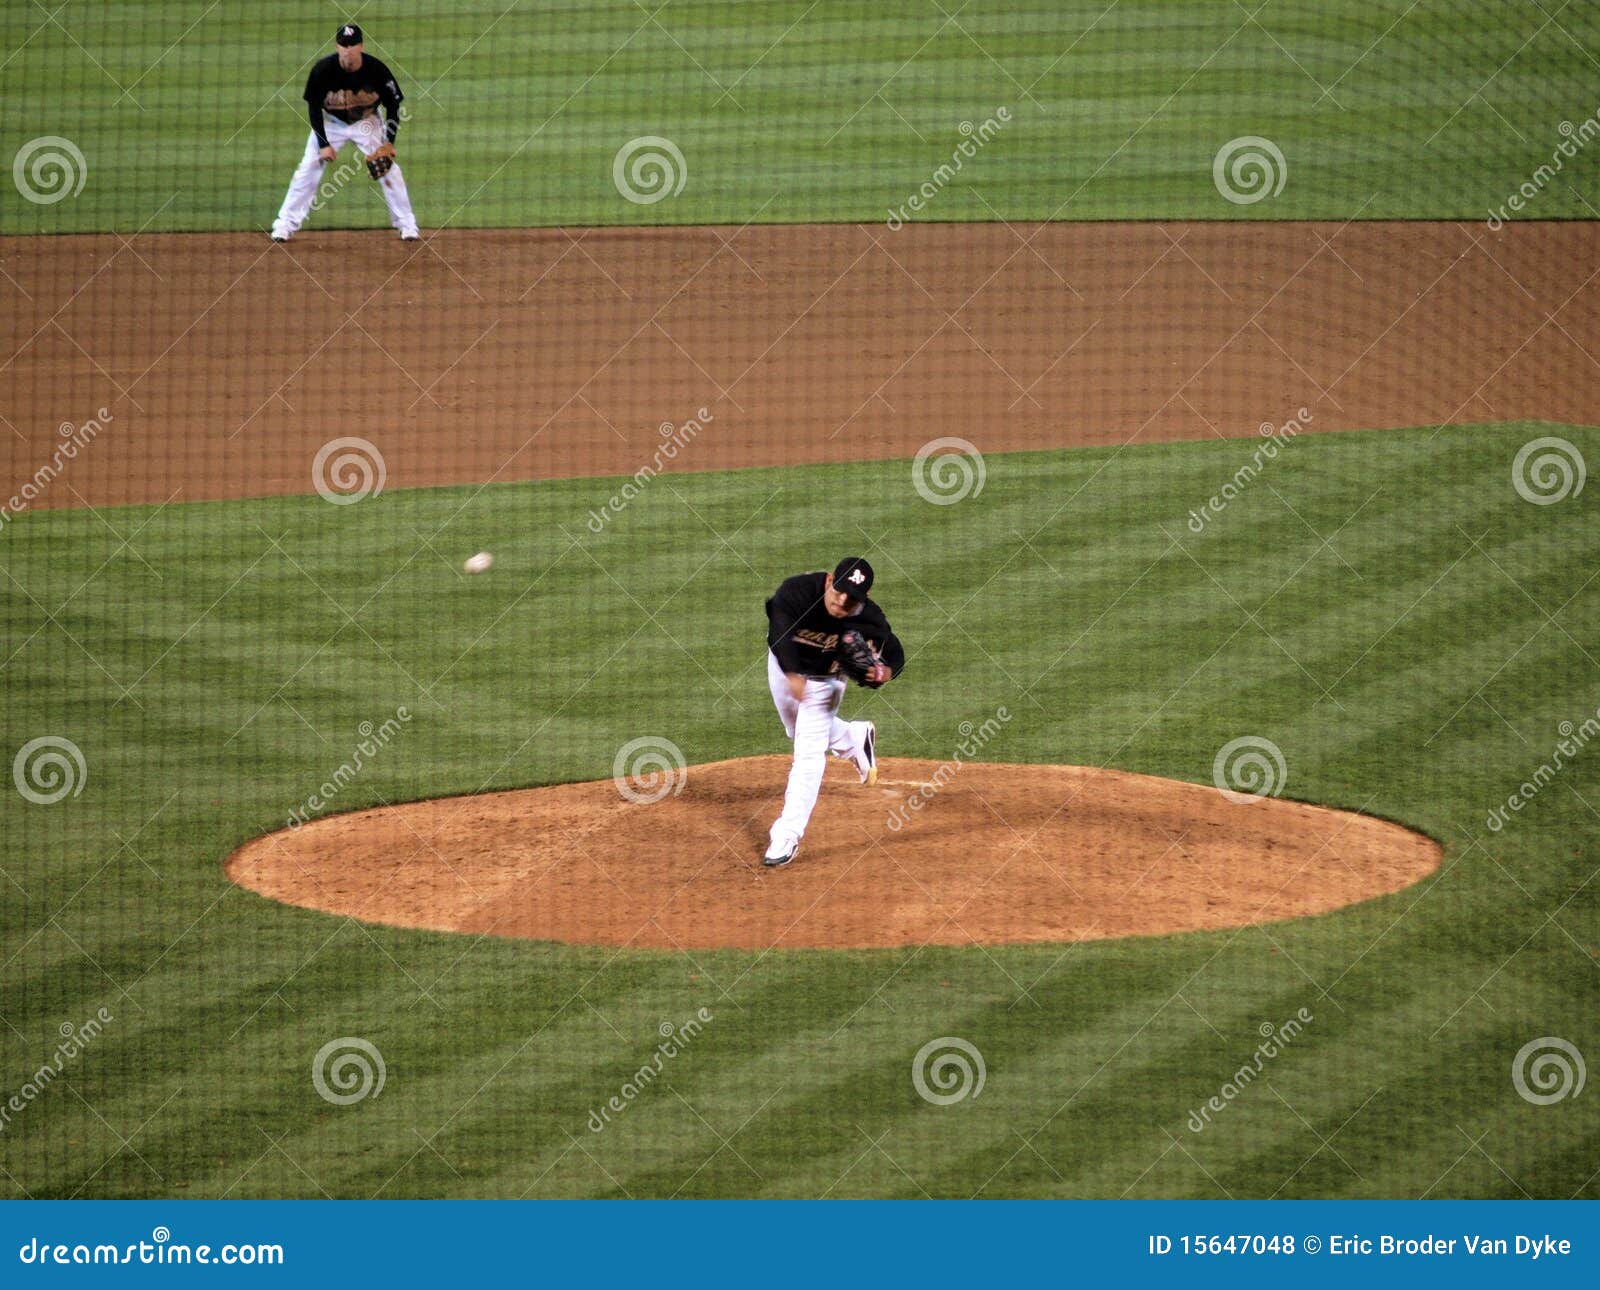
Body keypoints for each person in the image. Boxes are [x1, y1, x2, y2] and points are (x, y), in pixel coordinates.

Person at [761, 557, 905, 868]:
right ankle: (852, 738)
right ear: (829, 581)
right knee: (793, 728)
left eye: (852, 599)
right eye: (839, 591)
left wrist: (887, 672)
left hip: (827, 683)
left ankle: (787, 833)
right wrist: (793, 673)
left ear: (862, 600)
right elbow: (780, 630)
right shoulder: (797, 592)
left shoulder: (871, 620)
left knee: (808, 750)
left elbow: (895, 652)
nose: (842, 601)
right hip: (785, 667)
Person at [270, 24, 419, 242]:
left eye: (352, 45)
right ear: (337, 46)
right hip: (330, 123)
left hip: (367, 123)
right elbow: (313, 108)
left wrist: (389, 142)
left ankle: (407, 225)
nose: (348, 50)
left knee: (388, 168)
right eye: (343, 45)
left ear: (361, 46)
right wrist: (323, 144)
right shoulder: (323, 70)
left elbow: (394, 106)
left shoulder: (376, 70)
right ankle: (285, 225)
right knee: (308, 167)